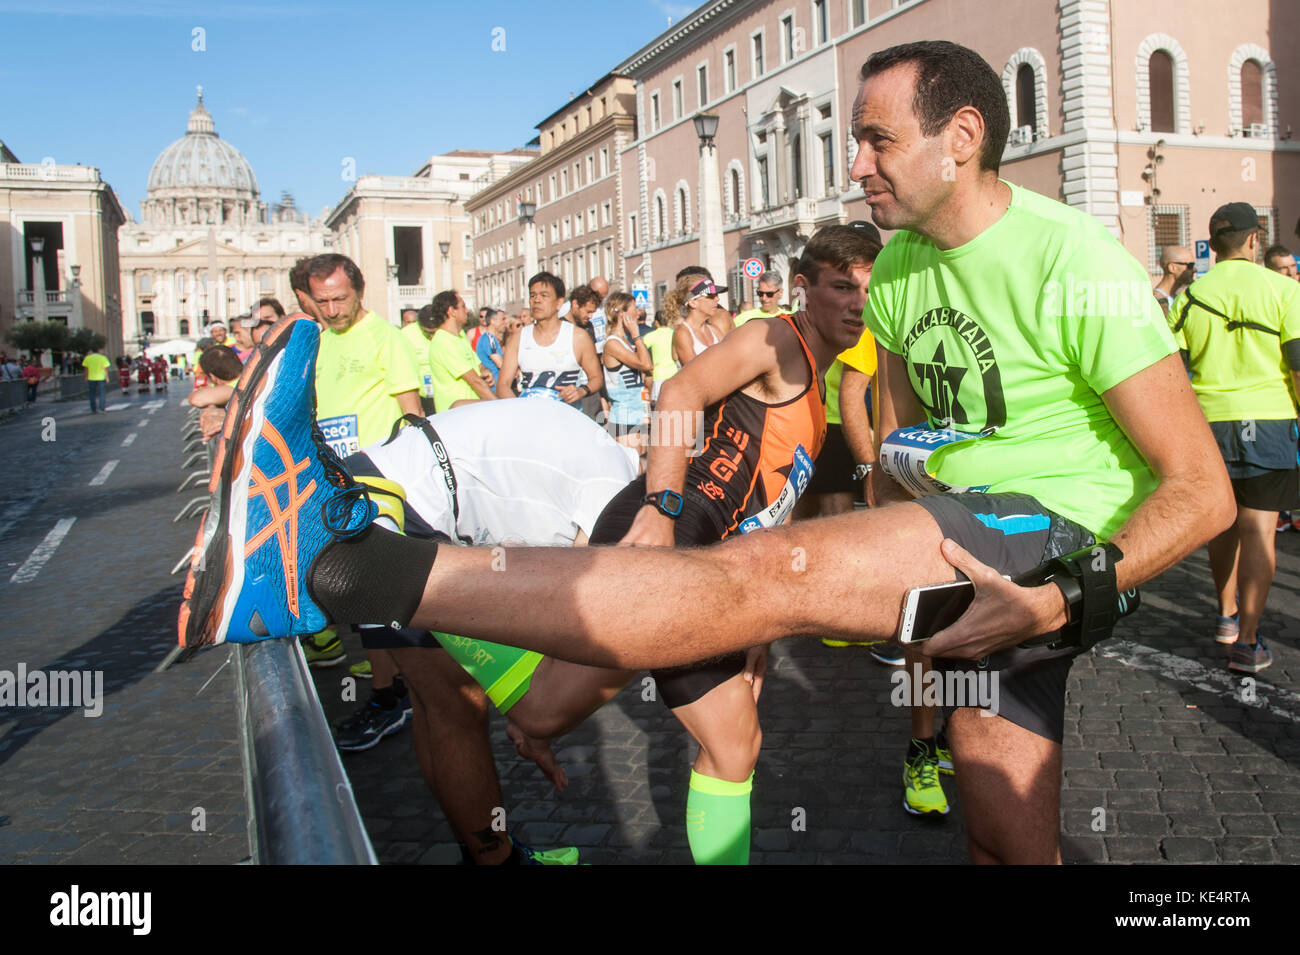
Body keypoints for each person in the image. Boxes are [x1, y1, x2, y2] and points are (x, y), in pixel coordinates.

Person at [182, 40, 1235, 866]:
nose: (852, 162)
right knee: (1001, 838)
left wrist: (1061, 596)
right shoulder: (900, 268)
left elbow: (1201, 491)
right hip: (932, 549)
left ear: (960, 135)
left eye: (873, 139)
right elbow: (899, 440)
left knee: (757, 584)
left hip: (1050, 539)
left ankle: (335, 558)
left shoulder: (1074, 257)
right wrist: (670, 497)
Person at [187, 224, 880, 866]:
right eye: (841, 286)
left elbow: (770, 507)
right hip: (677, 535)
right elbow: (677, 393)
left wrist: (755, 626)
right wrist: (663, 508)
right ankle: (323, 549)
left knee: (575, 716)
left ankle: (373, 574)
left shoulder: (817, 383)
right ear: (803, 287)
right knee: (715, 742)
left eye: (868, 287)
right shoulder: (776, 339)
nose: (858, 302)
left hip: (712, 561)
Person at [1169, 203, 1300, 673]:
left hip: (1210, 423)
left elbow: (1174, 372)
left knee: (1222, 524)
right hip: (1270, 420)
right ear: (1253, 240)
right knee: (1260, 530)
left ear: (1214, 244)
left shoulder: (1190, 296)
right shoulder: (1285, 290)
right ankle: (1248, 640)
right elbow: (1298, 368)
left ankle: (1225, 616)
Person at [495, 272, 603, 405]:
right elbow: (502, 385)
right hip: (529, 419)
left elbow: (596, 378)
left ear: (559, 303)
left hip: (566, 419)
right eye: (532, 295)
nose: (537, 300)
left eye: (544, 295)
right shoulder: (518, 339)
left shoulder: (578, 337)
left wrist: (582, 390)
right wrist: (520, 410)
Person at [598, 290, 652, 453]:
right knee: (631, 471)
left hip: (640, 412)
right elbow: (646, 364)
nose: (639, 312)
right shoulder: (613, 343)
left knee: (643, 469)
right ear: (622, 314)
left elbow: (648, 370)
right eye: (634, 308)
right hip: (624, 416)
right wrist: (636, 335)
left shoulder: (626, 341)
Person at [427, 289, 496, 412]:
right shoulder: (444, 342)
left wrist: (485, 371)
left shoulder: (460, 336)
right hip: (455, 416)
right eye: (463, 306)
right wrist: (500, 406)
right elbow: (474, 381)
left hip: (469, 411)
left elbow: (478, 365)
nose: (467, 310)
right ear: (451, 311)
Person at [668, 276, 723, 364]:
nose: (717, 299)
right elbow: (695, 373)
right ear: (693, 303)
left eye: (716, 295)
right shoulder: (682, 333)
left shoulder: (714, 330)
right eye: (710, 296)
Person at [642, 308, 678, 403]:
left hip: (659, 373)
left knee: (660, 405)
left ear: (656, 322)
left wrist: (648, 364)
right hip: (675, 372)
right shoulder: (674, 333)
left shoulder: (651, 335)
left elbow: (640, 349)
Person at [1152, 245, 1196, 316]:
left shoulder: (1181, 297)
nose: (1194, 270)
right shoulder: (1154, 301)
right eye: (1190, 265)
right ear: (1172, 268)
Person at [81, 345, 110, 414]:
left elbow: (86, 369)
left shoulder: (87, 358)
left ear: (92, 351)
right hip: (101, 377)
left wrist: (85, 377)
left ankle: (93, 409)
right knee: (102, 393)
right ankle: (102, 408)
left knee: (92, 393)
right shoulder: (103, 358)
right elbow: (105, 368)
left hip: (91, 377)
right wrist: (107, 377)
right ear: (98, 350)